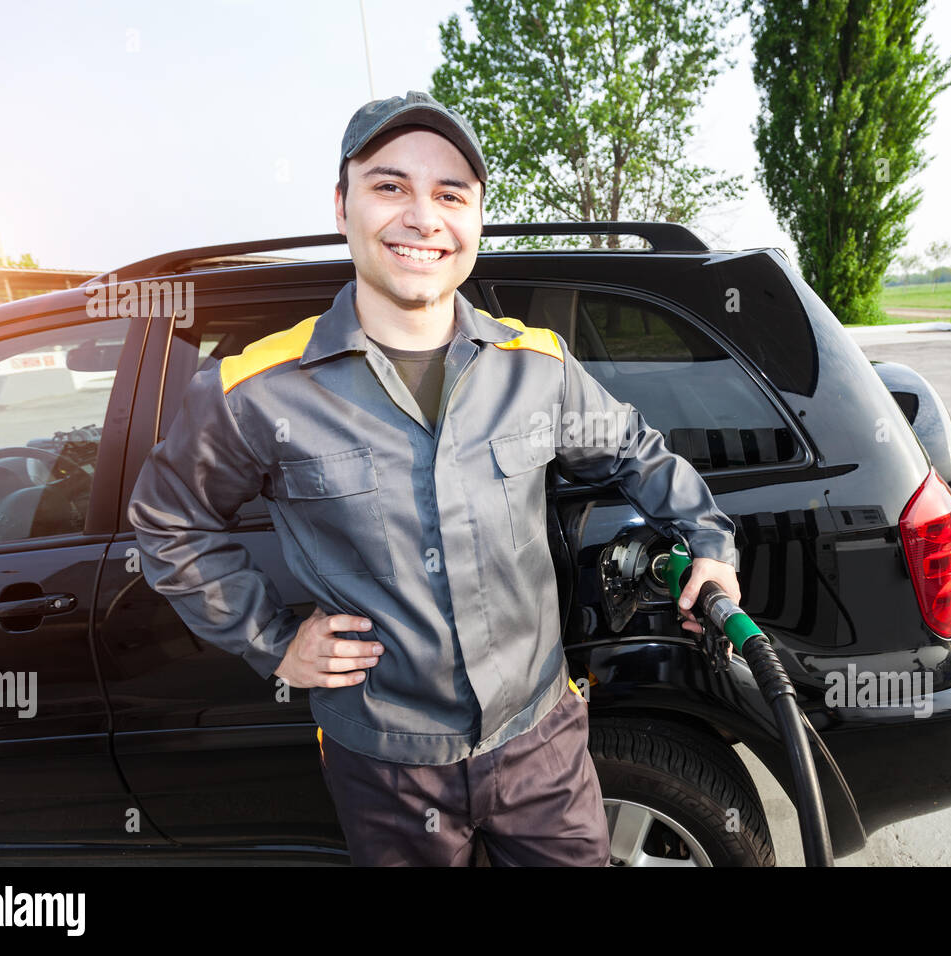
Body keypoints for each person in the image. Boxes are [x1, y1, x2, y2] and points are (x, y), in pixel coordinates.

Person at [128, 90, 741, 866]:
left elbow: (638, 453)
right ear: (342, 203)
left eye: (450, 194)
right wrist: (274, 642)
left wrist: (709, 541)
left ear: (475, 218)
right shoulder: (256, 390)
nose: (423, 218)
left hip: (540, 742)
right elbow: (169, 523)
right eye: (391, 187)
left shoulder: (537, 366)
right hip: (385, 767)